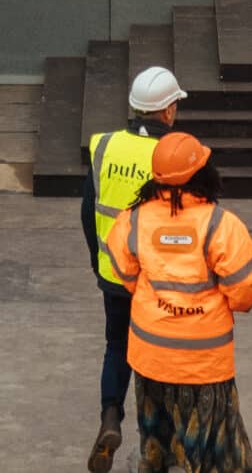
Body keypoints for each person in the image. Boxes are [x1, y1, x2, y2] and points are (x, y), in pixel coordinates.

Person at [105, 133, 252, 473]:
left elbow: (124, 272)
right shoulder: (221, 225)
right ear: (203, 173)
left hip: (150, 359)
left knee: (157, 446)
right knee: (213, 453)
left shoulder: (134, 219)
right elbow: (243, 290)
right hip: (204, 364)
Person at [82, 66, 188, 473]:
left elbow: (87, 210)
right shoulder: (178, 152)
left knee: (116, 348)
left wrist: (99, 260)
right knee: (161, 359)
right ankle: (160, 443)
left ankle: (111, 416)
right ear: (167, 110)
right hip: (160, 281)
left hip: (114, 276)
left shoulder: (105, 146)